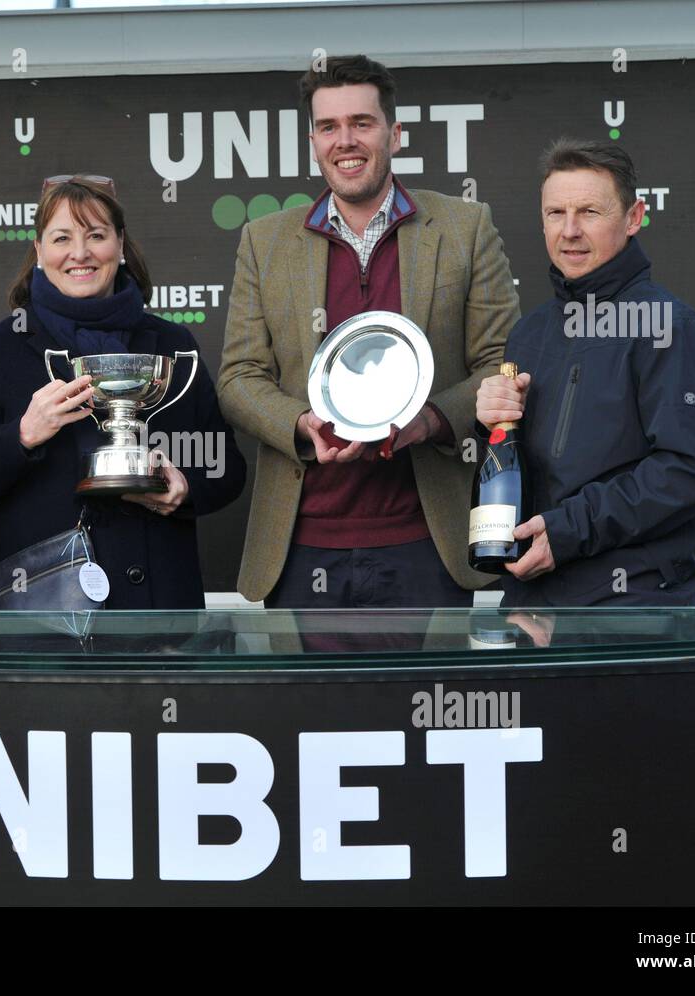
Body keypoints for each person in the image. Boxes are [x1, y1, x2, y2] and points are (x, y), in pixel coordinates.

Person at [217, 55, 520, 609]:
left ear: (395, 133)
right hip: (301, 546)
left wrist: (428, 422)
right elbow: (239, 377)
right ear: (312, 141)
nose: (345, 141)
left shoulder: (463, 228)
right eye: (329, 127)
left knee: (428, 697)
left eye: (362, 123)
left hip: (429, 541)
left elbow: (501, 363)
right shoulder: (265, 242)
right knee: (313, 702)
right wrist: (301, 426)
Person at [0, 175, 246, 609]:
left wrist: (185, 488)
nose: (79, 253)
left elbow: (225, 466)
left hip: (159, 611)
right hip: (44, 615)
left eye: (96, 235)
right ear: (40, 251)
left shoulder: (173, 345)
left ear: (119, 245)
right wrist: (22, 435)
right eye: (62, 238)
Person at [476, 139, 695, 606]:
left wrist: (569, 530)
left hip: (632, 607)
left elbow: (692, 470)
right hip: (531, 602)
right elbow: (526, 471)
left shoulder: (670, 328)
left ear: (633, 218)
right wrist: (492, 424)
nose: (570, 231)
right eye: (556, 213)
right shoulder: (528, 334)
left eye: (589, 212)